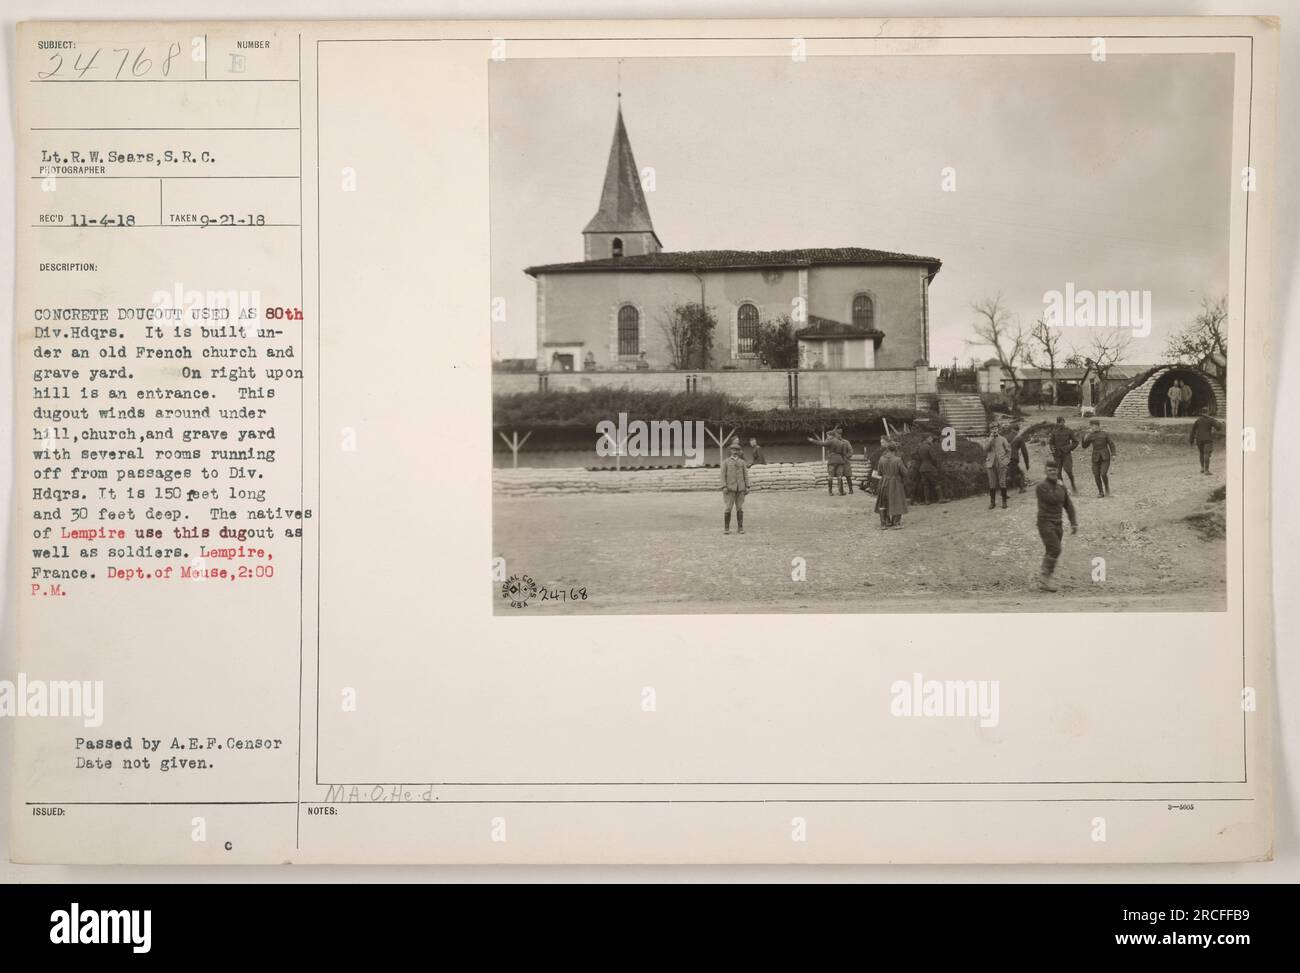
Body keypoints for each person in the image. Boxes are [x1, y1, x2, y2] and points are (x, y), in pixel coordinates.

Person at [1035, 460, 1078, 592]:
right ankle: (1044, 580)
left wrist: (1073, 522)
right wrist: (1061, 487)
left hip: (1058, 523)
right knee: (1055, 549)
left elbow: (1069, 506)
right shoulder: (1041, 487)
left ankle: (1044, 578)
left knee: (1052, 550)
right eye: (1050, 470)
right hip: (1045, 523)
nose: (1052, 472)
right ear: (1045, 472)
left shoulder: (1061, 487)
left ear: (1058, 471)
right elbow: (1053, 499)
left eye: (1054, 470)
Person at [874, 440, 908, 529]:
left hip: (884, 482)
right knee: (897, 501)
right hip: (895, 482)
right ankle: (896, 523)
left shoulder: (881, 459)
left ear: (887, 449)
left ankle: (884, 523)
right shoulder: (898, 460)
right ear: (895, 450)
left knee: (883, 502)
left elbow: (879, 472)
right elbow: (905, 473)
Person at [1081, 418, 1117, 497]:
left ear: (1097, 426)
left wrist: (1113, 454)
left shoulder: (1105, 434)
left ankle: (1107, 488)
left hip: (1105, 457)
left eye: (1092, 426)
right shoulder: (1090, 435)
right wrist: (1084, 437)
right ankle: (1101, 492)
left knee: (1103, 473)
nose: (1091, 427)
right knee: (1096, 475)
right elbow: (1084, 446)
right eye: (1091, 426)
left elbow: (1111, 444)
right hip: (1095, 458)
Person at [720, 441, 749, 534]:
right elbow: (722, 475)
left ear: (739, 451)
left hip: (740, 489)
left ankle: (740, 528)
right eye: (733, 450)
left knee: (739, 508)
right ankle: (726, 528)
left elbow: (746, 475)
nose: (735, 452)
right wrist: (724, 486)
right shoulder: (725, 462)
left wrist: (747, 486)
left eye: (737, 450)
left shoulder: (742, 462)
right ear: (730, 451)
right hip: (729, 489)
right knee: (728, 508)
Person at [1048, 416, 1080, 495]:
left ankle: (1073, 484)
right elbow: (1051, 443)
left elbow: (1076, 442)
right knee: (1058, 472)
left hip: (1066, 454)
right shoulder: (1054, 431)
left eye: (1062, 422)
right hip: (1057, 455)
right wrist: (1052, 449)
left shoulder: (1069, 431)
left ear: (1064, 422)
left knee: (1068, 470)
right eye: (1059, 423)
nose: (1060, 424)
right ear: (1057, 423)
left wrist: (1069, 448)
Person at [985, 423, 1011, 509]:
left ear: (998, 429)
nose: (994, 430)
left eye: (996, 428)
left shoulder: (1003, 439)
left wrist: (1006, 460)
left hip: (1001, 463)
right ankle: (992, 503)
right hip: (990, 464)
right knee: (992, 483)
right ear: (990, 430)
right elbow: (985, 449)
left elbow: (1008, 450)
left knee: (1002, 482)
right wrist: (990, 440)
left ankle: (1004, 502)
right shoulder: (988, 439)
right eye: (992, 429)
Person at [1189, 407, 1223, 474]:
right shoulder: (1211, 420)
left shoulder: (1198, 420)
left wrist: (1191, 440)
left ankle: (1202, 468)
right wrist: (1220, 423)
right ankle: (1206, 470)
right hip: (1207, 439)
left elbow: (1193, 431)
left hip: (1199, 439)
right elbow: (1218, 428)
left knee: (1201, 453)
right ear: (1208, 412)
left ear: (1202, 413)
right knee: (1206, 454)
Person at [914, 433, 945, 505]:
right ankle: (941, 498)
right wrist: (936, 466)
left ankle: (927, 501)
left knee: (926, 485)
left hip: (922, 468)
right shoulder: (929, 447)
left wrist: (921, 460)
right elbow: (933, 458)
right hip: (929, 467)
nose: (931, 439)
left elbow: (913, 455)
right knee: (936, 483)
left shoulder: (920, 446)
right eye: (930, 438)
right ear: (927, 438)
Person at [1006, 424, 1031, 494]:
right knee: (1013, 475)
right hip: (1014, 458)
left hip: (1005, 458)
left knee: (1017, 472)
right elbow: (1024, 452)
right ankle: (1005, 491)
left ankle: (1021, 488)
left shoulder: (1005, 437)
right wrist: (1027, 464)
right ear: (1018, 430)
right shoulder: (1019, 438)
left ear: (1011, 429)